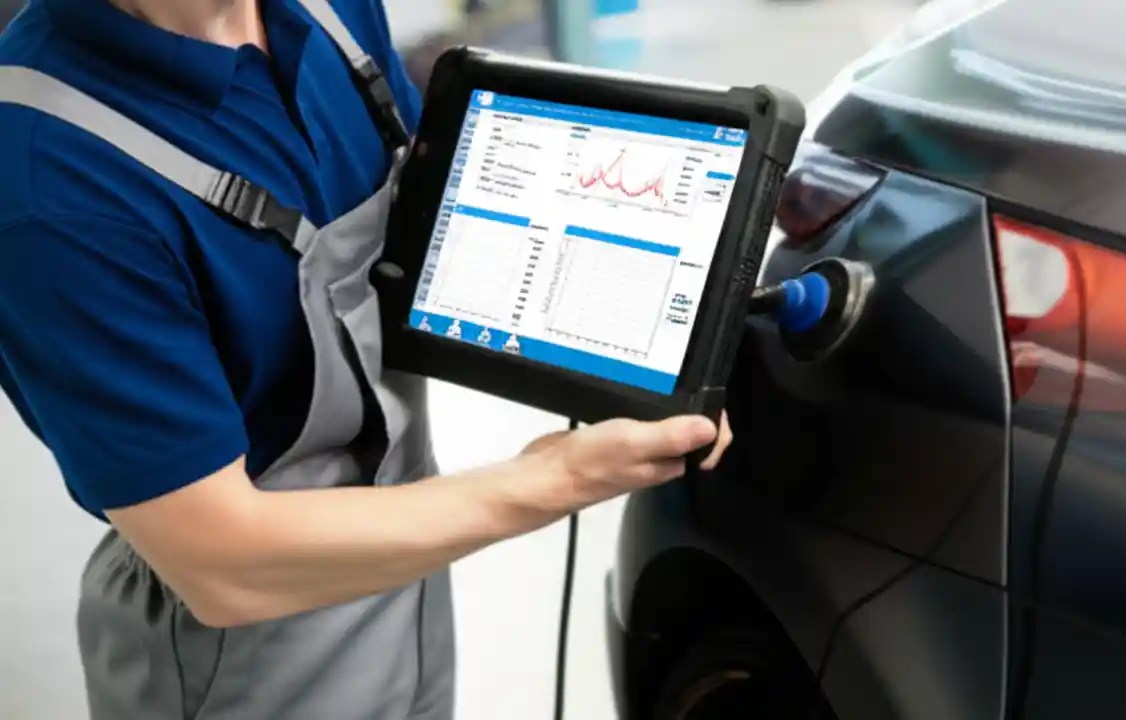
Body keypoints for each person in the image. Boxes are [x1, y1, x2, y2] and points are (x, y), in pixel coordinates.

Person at [0, 0, 732, 718]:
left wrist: (650, 316)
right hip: (239, 652)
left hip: (405, 568)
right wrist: (555, 479)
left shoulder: (333, 13)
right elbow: (221, 565)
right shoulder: (46, 174)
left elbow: (435, 231)